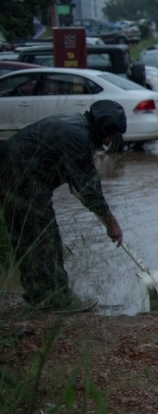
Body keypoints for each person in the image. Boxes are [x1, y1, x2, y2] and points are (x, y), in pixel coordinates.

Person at [0, 100, 125, 312]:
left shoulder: (77, 125)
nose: (109, 140)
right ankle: (56, 299)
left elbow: (77, 181)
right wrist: (111, 223)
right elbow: (89, 188)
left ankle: (39, 296)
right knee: (44, 239)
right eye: (110, 135)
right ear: (103, 130)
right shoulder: (78, 137)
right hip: (20, 180)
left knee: (27, 239)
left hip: (15, 176)